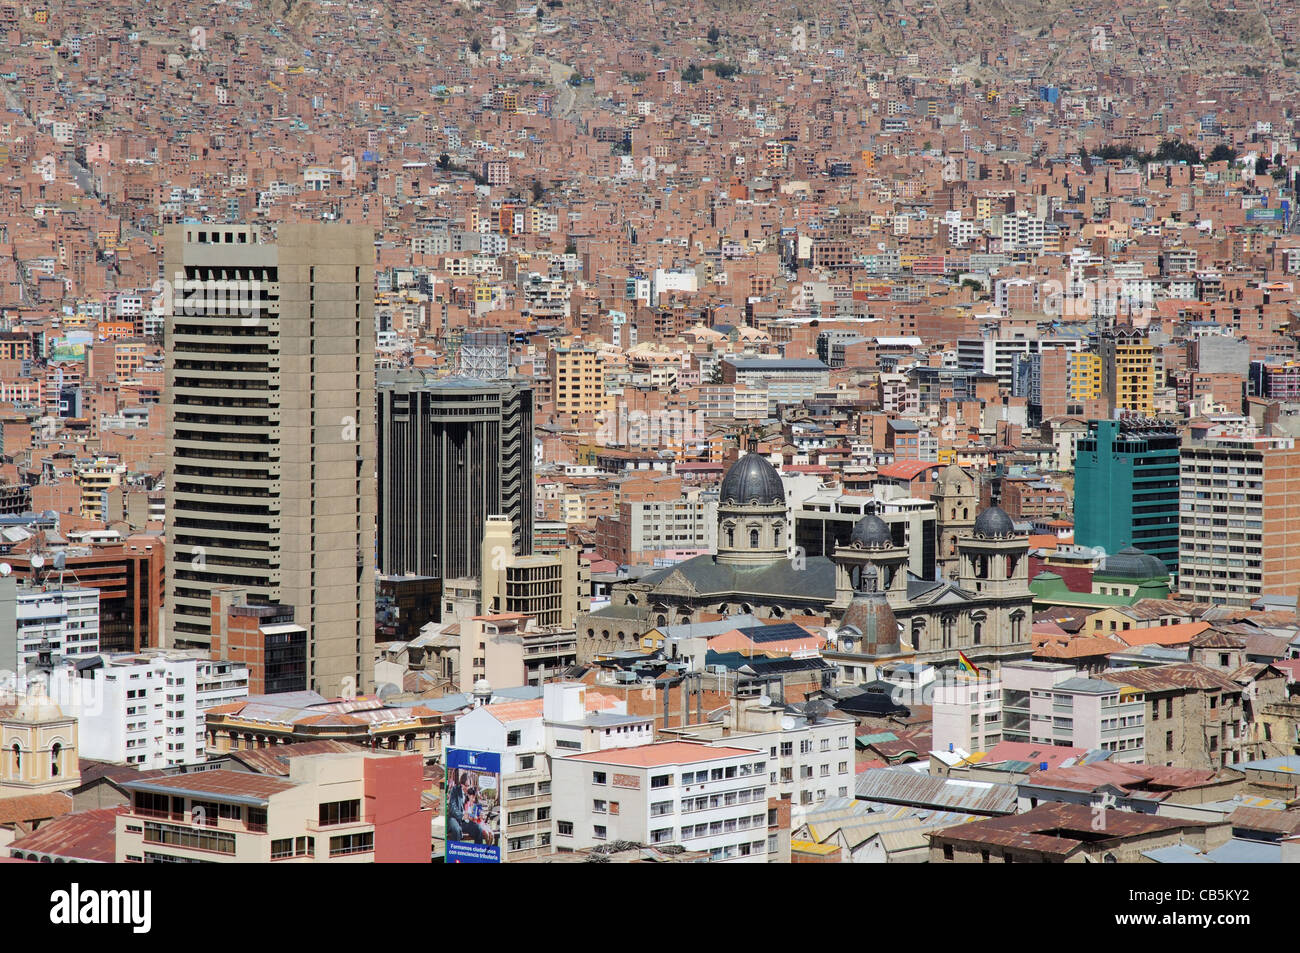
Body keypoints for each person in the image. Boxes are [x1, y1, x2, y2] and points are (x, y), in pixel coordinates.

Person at [445, 769, 482, 844]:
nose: (467, 788)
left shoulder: (469, 793)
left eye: (469, 785)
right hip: (454, 819)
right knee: (456, 830)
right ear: (461, 784)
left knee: (478, 828)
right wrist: (462, 816)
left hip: (464, 822)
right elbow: (452, 808)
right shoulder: (454, 790)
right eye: (466, 785)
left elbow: (474, 806)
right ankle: (455, 850)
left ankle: (478, 850)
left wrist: (478, 813)